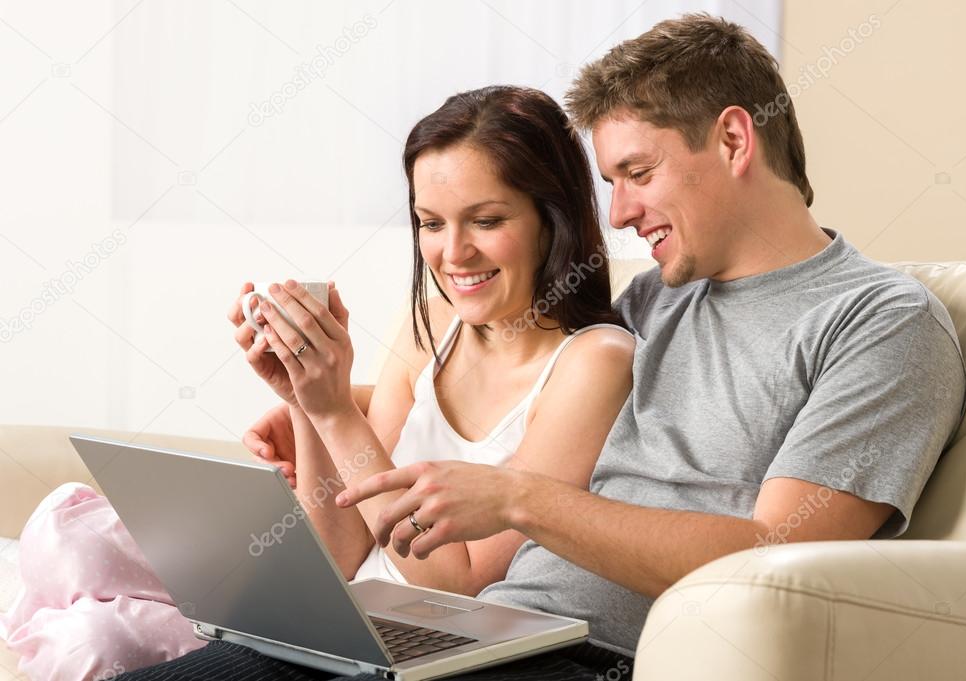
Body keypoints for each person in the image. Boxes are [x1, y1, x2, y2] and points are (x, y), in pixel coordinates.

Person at [117, 12, 966, 681]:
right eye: (610, 184)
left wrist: (523, 501)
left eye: (638, 172)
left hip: (594, 659)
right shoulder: (656, 301)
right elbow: (512, 375)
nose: (623, 212)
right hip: (494, 633)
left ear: (735, 140)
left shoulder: (878, 321)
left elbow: (778, 556)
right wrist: (327, 391)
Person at [0, 85, 634, 681]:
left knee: (99, 641)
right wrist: (302, 397)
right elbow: (341, 549)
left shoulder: (595, 361)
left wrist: (336, 411)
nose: (453, 254)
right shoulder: (431, 327)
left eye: (487, 220)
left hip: (431, 638)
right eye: (431, 223)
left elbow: (457, 582)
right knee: (70, 539)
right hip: (344, 617)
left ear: (552, 218)